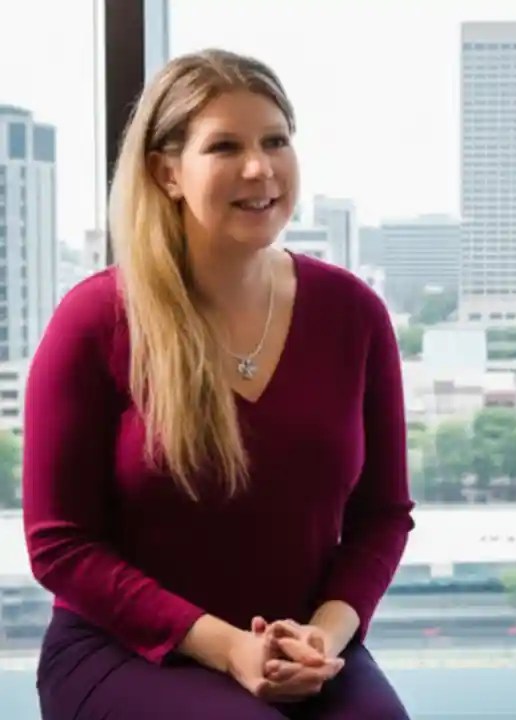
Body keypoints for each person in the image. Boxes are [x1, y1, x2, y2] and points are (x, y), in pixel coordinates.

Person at [23, 49, 414, 719]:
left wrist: (325, 634)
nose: (259, 168)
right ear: (166, 172)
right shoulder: (95, 320)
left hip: (302, 640)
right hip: (127, 648)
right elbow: (59, 543)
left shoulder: (354, 314)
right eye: (225, 146)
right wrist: (226, 647)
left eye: (275, 141)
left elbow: (382, 516)